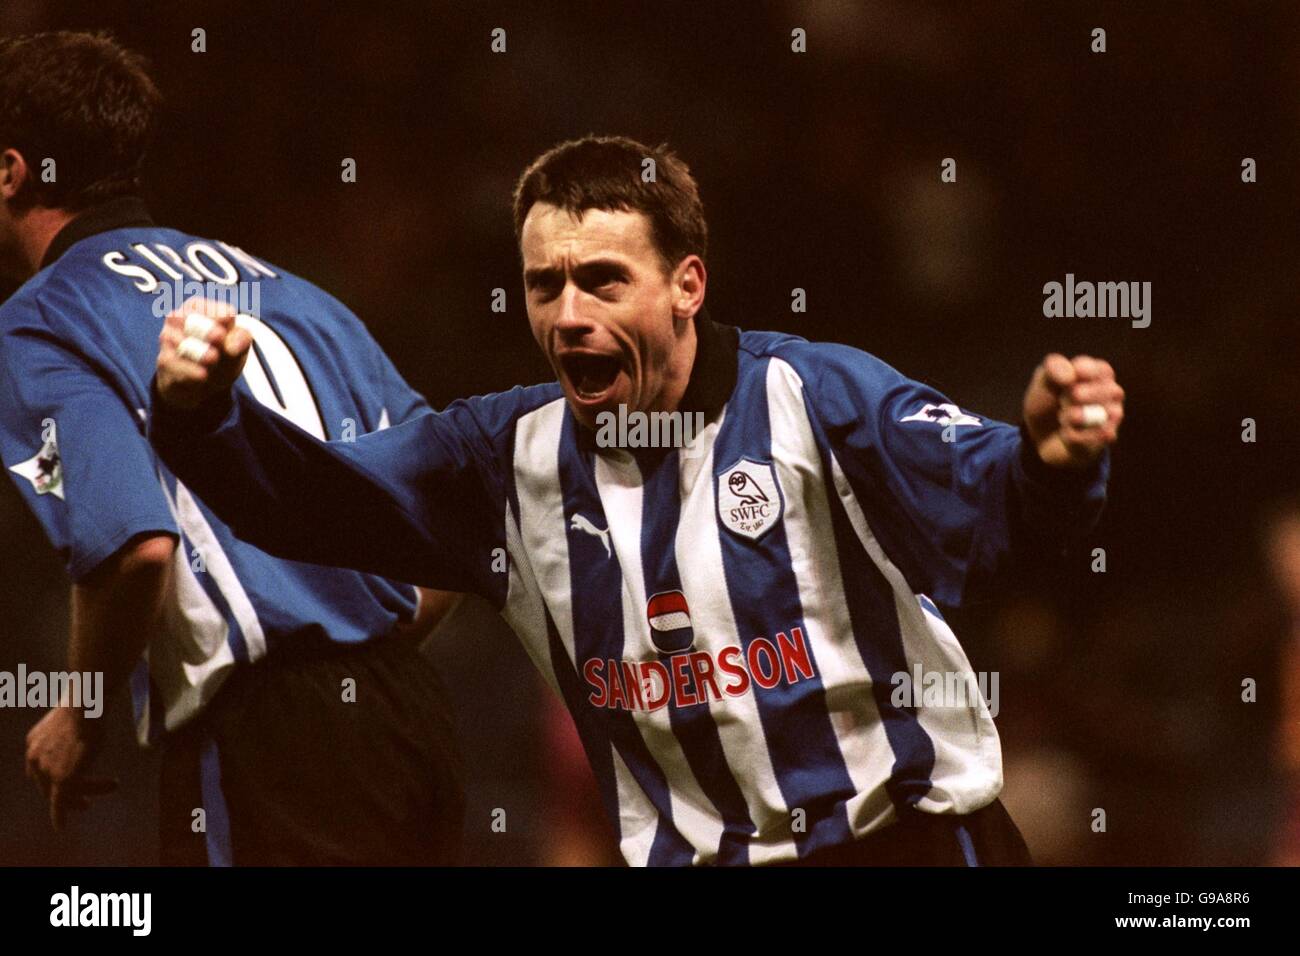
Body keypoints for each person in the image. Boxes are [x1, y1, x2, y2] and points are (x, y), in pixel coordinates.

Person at [150, 134, 1126, 866]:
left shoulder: (813, 396)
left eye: (602, 281)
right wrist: (201, 415)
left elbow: (995, 510)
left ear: (686, 285)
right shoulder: (500, 460)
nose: (569, 316)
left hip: (907, 847)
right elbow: (311, 502)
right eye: (544, 286)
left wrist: (1050, 460)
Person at [0, 31, 464, 865]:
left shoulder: (41, 319)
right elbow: (454, 511)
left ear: (11, 172)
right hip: (412, 723)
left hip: (273, 746)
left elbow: (136, 550)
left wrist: (79, 713)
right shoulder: (288, 289)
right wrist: (360, 649)